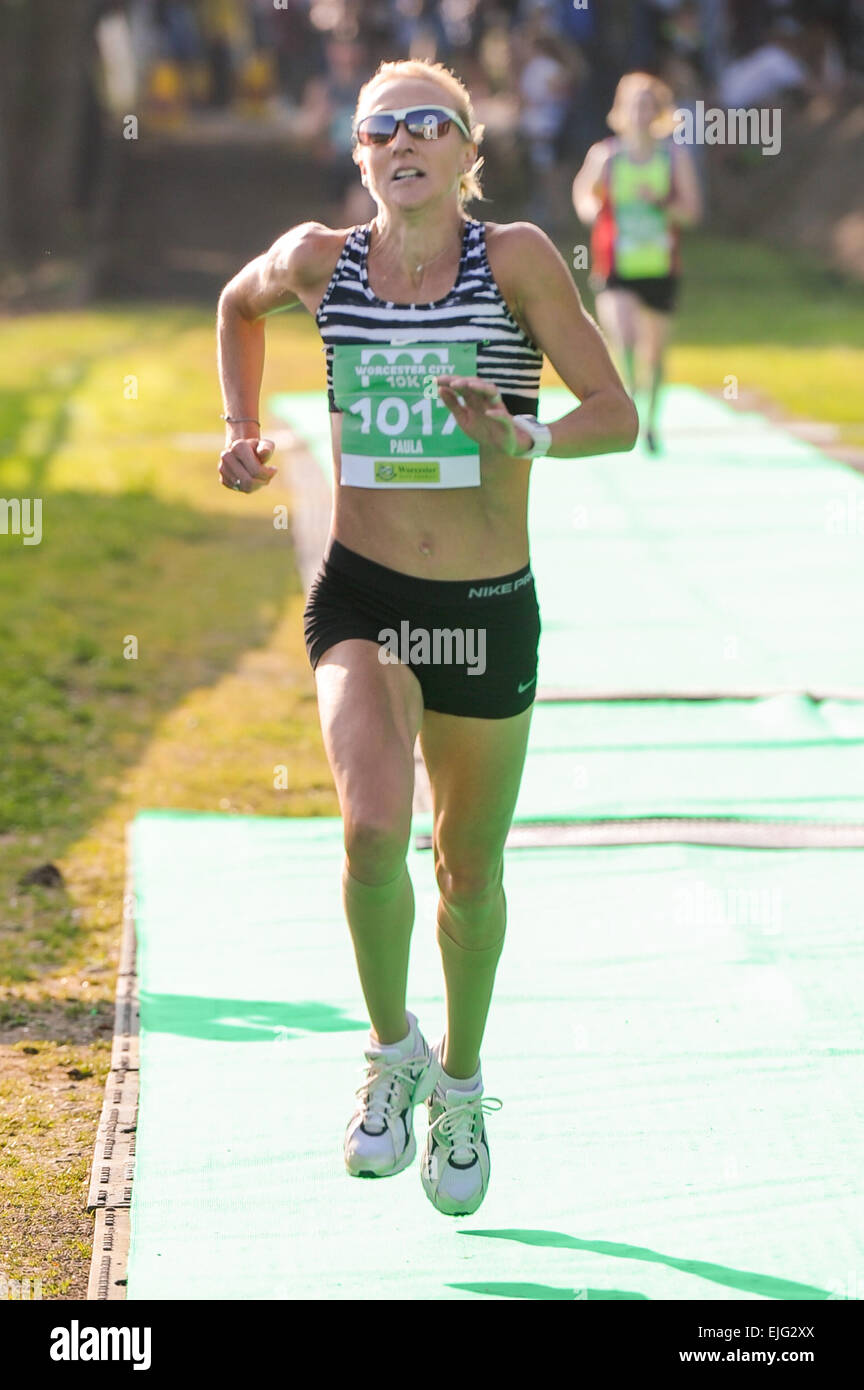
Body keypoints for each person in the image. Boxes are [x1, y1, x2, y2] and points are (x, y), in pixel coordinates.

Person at [216, 57, 637, 1217]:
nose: (401, 139)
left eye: (427, 124)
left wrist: (524, 434)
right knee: (367, 832)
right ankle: (390, 1053)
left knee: (469, 867)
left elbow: (617, 415)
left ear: (465, 153)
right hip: (362, 596)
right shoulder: (319, 260)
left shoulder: (517, 261)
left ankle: (459, 1078)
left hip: (489, 609)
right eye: (377, 128)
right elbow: (234, 305)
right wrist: (243, 429)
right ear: (360, 158)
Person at [572, 72, 702, 453]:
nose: (641, 112)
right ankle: (630, 401)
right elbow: (583, 194)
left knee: (656, 351)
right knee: (625, 335)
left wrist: (662, 204)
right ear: (622, 111)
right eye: (634, 104)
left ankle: (652, 420)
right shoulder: (606, 155)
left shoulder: (673, 157)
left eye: (648, 105)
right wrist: (592, 209)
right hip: (617, 266)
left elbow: (691, 212)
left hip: (660, 266)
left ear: (657, 112)